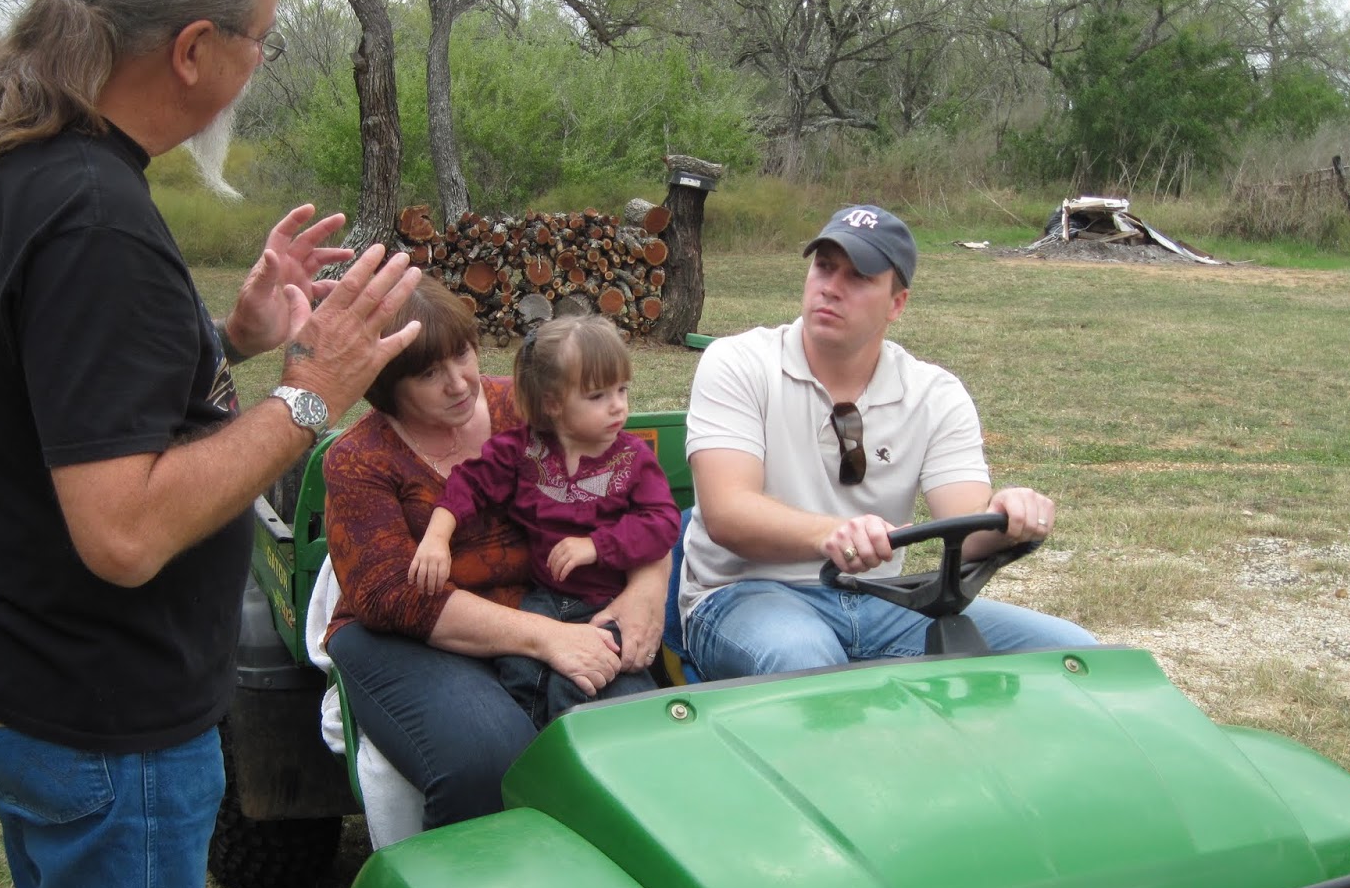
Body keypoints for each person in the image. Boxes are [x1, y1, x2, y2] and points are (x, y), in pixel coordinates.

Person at [0, 0, 424, 888]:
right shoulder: (92, 217)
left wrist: (226, 341)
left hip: (3, 661)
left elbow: (34, 378)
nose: (258, 60)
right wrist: (311, 392)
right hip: (100, 717)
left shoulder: (2, 142)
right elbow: (123, 531)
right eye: (260, 37)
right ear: (194, 48)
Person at [679, 203, 1096, 678]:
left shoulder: (934, 394)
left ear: (897, 304)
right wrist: (830, 535)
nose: (830, 288)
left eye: (858, 277)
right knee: (807, 663)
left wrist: (1007, 514)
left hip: (880, 601)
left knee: (1074, 654)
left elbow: (966, 529)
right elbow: (727, 514)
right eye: (824, 266)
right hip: (743, 595)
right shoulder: (739, 362)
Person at [322, 279, 670, 827]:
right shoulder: (359, 460)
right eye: (428, 373)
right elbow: (392, 597)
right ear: (385, 383)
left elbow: (632, 489)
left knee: (623, 721)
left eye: (461, 353)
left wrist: (647, 588)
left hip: (557, 601)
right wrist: (550, 639)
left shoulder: (530, 404)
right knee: (488, 756)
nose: (460, 382)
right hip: (415, 637)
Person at [410, 314, 679, 724]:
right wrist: (437, 536)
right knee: (520, 671)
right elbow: (470, 484)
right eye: (597, 395)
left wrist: (597, 545)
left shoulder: (632, 460)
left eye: (622, 389)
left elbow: (661, 522)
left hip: (609, 602)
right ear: (553, 403)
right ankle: (529, 750)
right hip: (545, 599)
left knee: (585, 680)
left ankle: (584, 759)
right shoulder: (523, 452)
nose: (618, 405)